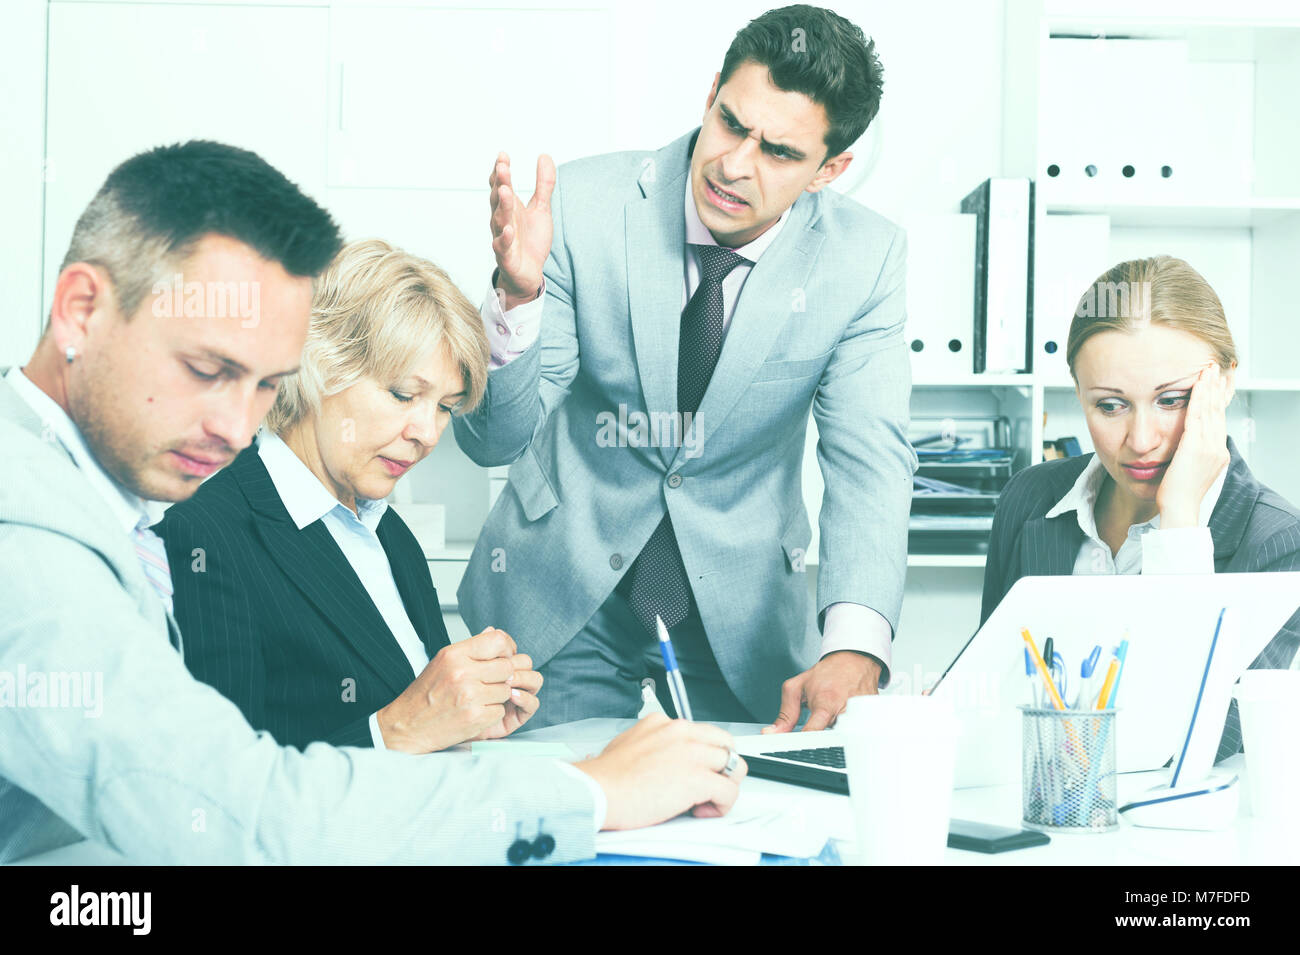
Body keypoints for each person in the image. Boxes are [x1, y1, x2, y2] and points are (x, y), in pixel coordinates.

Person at [0, 140, 745, 865]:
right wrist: (587, 793)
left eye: (263, 384)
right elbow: (237, 816)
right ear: (81, 309)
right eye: (206, 367)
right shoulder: (28, 525)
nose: (235, 427)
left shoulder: (102, 499)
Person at [456, 4, 917, 731]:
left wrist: (856, 644)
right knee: (572, 812)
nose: (734, 165)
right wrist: (519, 297)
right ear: (710, 95)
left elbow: (870, 461)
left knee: (751, 820)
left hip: (740, 617)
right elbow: (494, 441)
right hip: (564, 593)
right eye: (732, 123)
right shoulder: (582, 205)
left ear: (830, 169)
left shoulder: (864, 261)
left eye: (779, 153)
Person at [155, 238, 544, 752]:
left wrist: (466, 718)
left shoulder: (389, 535)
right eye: (404, 395)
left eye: (446, 407)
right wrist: (398, 731)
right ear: (318, 363)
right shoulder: (203, 538)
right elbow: (223, 790)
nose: (427, 433)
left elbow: (422, 715)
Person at [981, 255, 1300, 760]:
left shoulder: (1278, 542)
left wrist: (1179, 523)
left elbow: (1203, 741)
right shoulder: (1030, 497)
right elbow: (990, 696)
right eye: (1110, 405)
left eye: (1172, 400)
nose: (1142, 440)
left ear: (1225, 384)